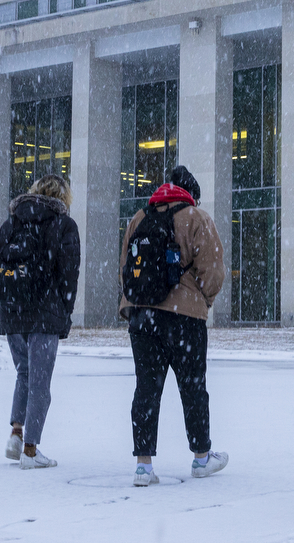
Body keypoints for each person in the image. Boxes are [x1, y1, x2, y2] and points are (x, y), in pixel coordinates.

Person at [119, 165, 228, 487]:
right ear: (191, 194)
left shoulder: (140, 218)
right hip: (184, 318)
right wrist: (201, 300)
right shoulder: (197, 218)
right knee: (193, 387)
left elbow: (126, 267)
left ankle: (143, 465)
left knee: (146, 389)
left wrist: (138, 303)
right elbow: (214, 270)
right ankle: (201, 457)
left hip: (142, 316)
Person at [0, 174, 80, 470]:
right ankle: (30, 450)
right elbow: (69, 274)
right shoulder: (64, 225)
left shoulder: (13, 221)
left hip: (13, 311)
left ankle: (16, 435)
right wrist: (64, 312)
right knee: (40, 383)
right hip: (44, 313)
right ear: (64, 197)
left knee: (24, 374)